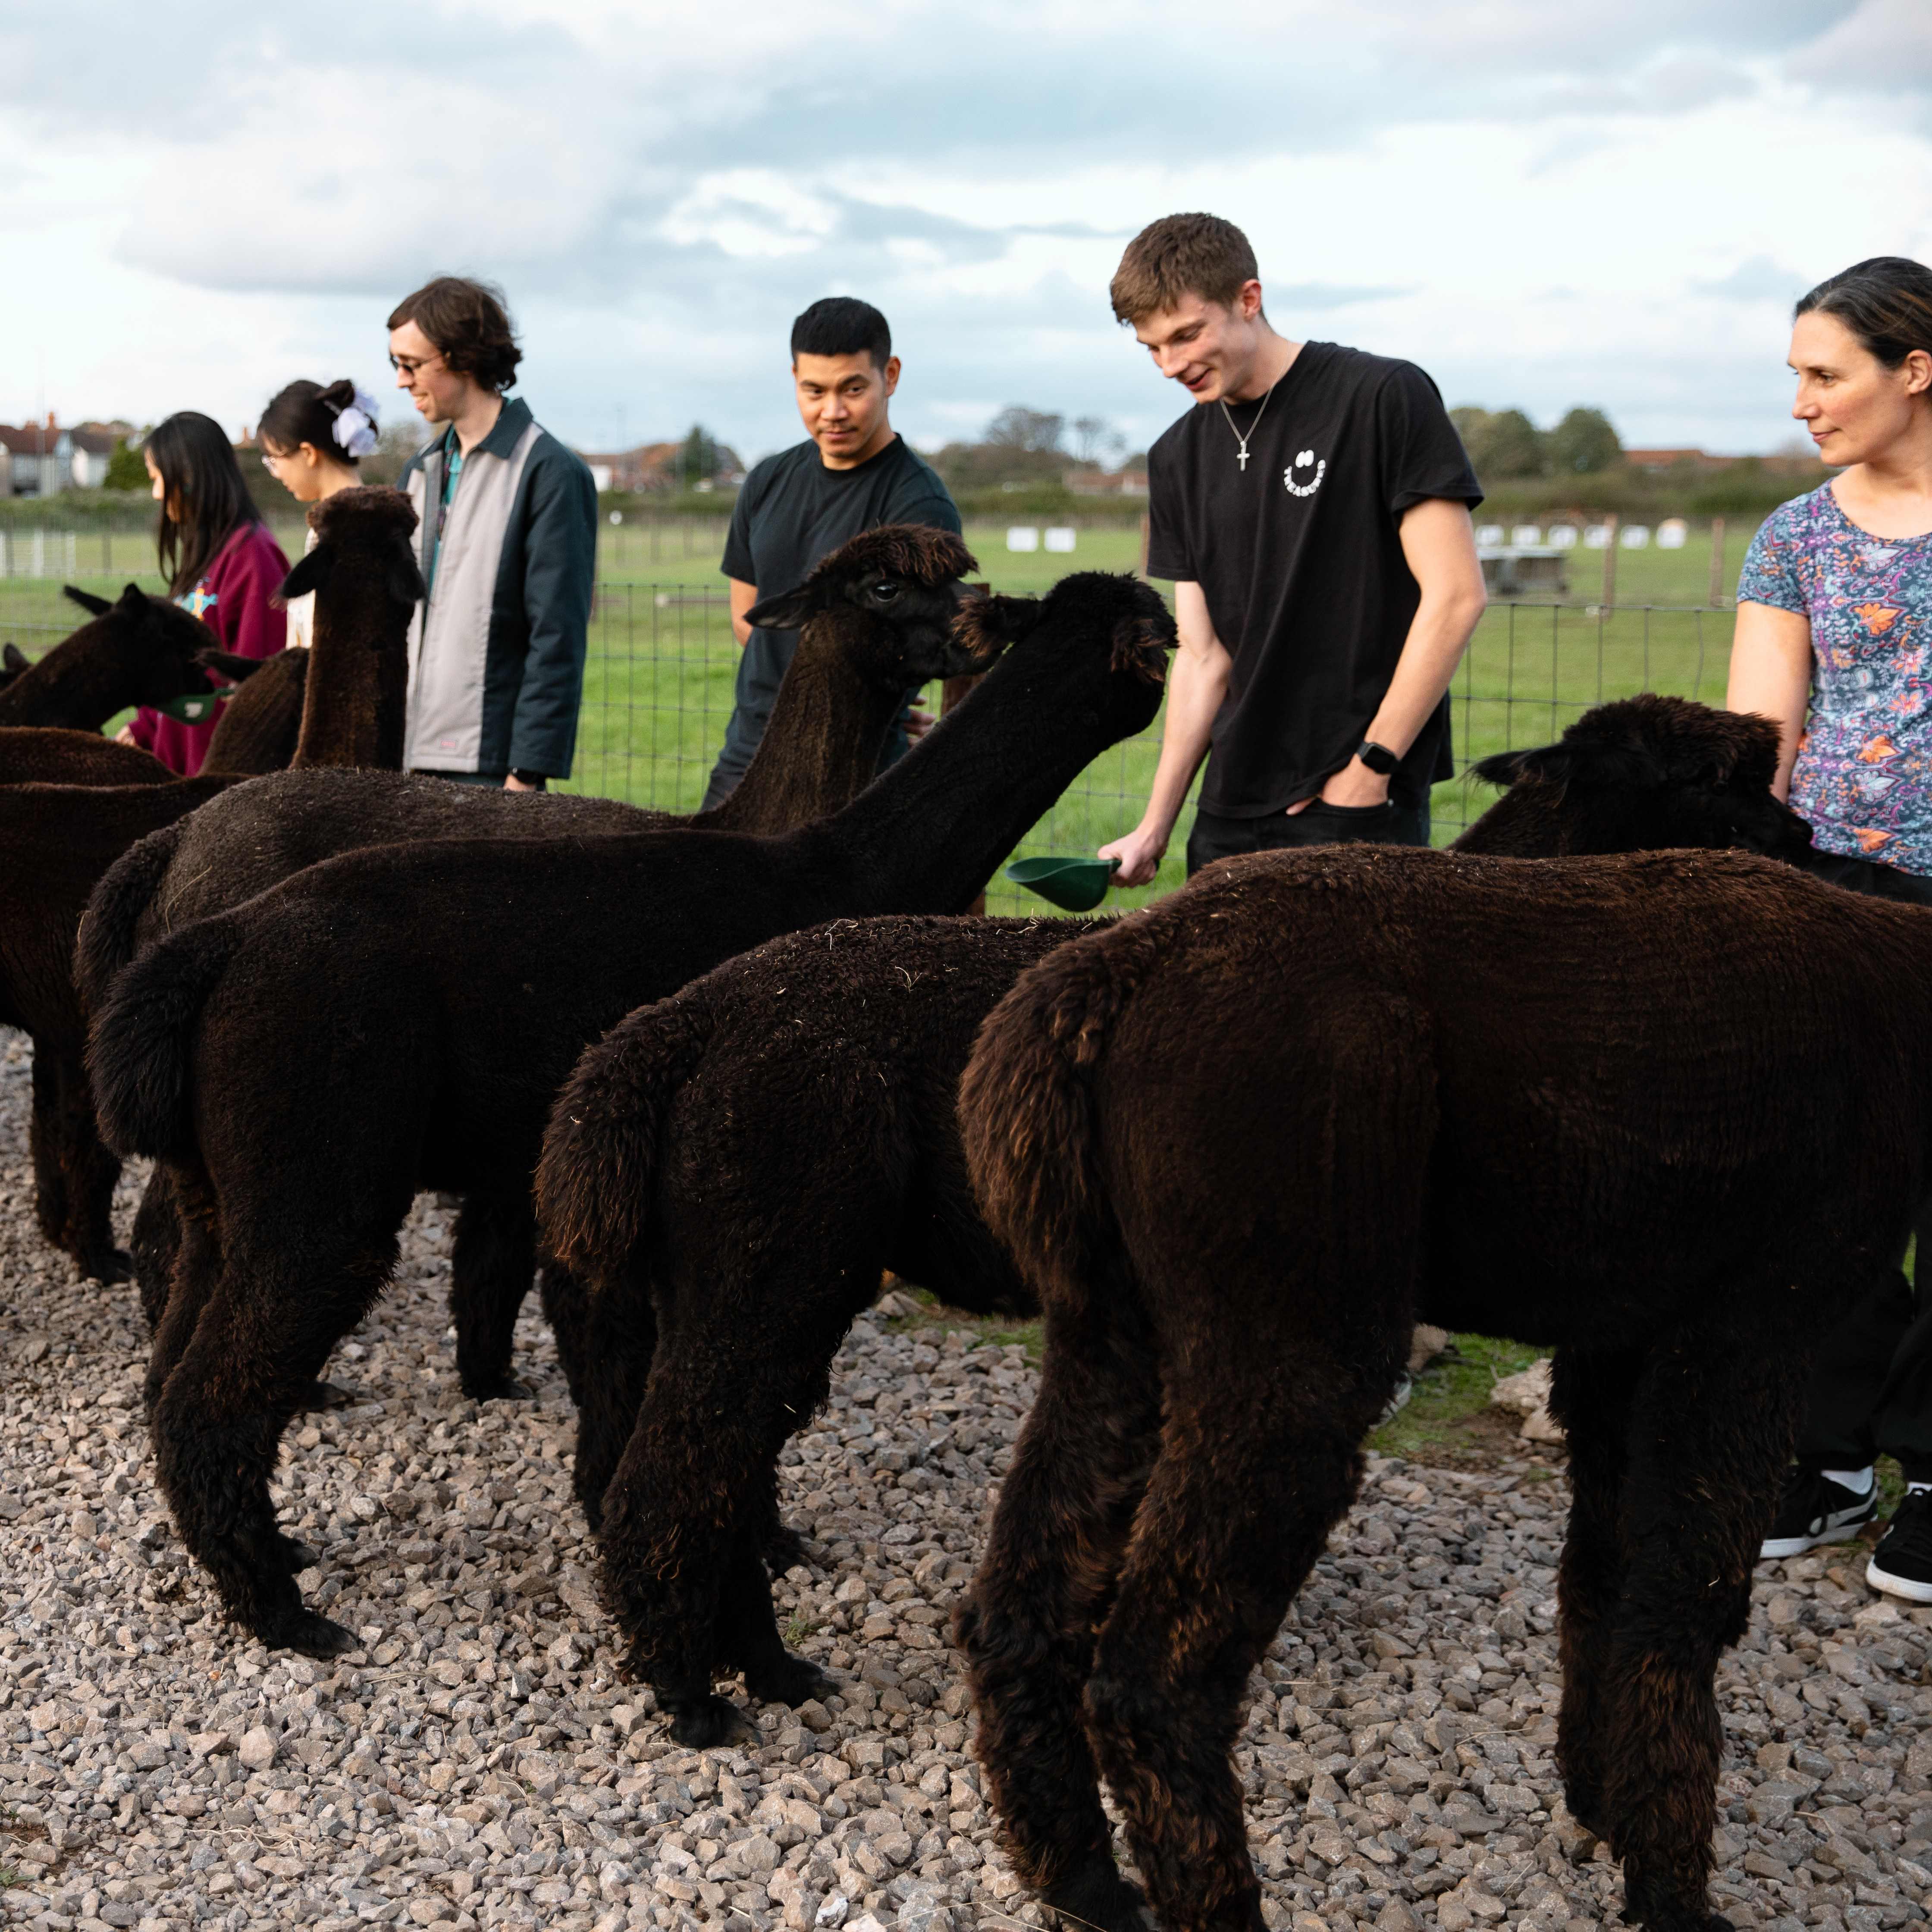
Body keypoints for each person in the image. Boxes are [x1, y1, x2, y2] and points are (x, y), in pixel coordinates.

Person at [1728, 255, 1932, 1603]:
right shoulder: (1791, 536)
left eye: (1823, 373)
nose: (1799, 401)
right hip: (1837, 894)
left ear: (1911, 370)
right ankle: (1831, 1447)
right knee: (1832, 1185)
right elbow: (1759, 736)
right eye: (1793, 374)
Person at [1095, 213, 1487, 885]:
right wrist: (1157, 824)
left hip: (1356, 800)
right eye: (1152, 348)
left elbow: (1456, 597)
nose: (1171, 366)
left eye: (1187, 335)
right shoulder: (1175, 458)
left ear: (1249, 299)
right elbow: (1203, 655)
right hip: (1228, 809)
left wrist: (1373, 768)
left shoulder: (1383, 398)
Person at [701, 296, 961, 808]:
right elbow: (744, 617)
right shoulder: (766, 481)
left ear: (890, 375)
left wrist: (869, 694)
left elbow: (916, 641)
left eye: (853, 388)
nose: (832, 411)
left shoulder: (919, 505)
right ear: (795, 377)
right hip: (747, 756)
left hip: (853, 768)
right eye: (813, 390)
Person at [388, 276, 596, 791]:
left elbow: (557, 633)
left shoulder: (549, 471)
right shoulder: (417, 471)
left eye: (411, 364)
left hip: (493, 775)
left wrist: (526, 771)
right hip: (405, 760)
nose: (400, 380)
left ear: (461, 356)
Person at [121, 411, 289, 775]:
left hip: (222, 784)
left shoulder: (253, 557)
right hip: (184, 776)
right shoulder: (209, 553)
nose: (156, 494)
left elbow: (259, 688)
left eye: (157, 478)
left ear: (189, 477)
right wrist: (146, 728)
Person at [258, 378, 382, 649]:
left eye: (274, 461)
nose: (277, 474)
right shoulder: (334, 523)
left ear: (308, 453)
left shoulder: (356, 530)